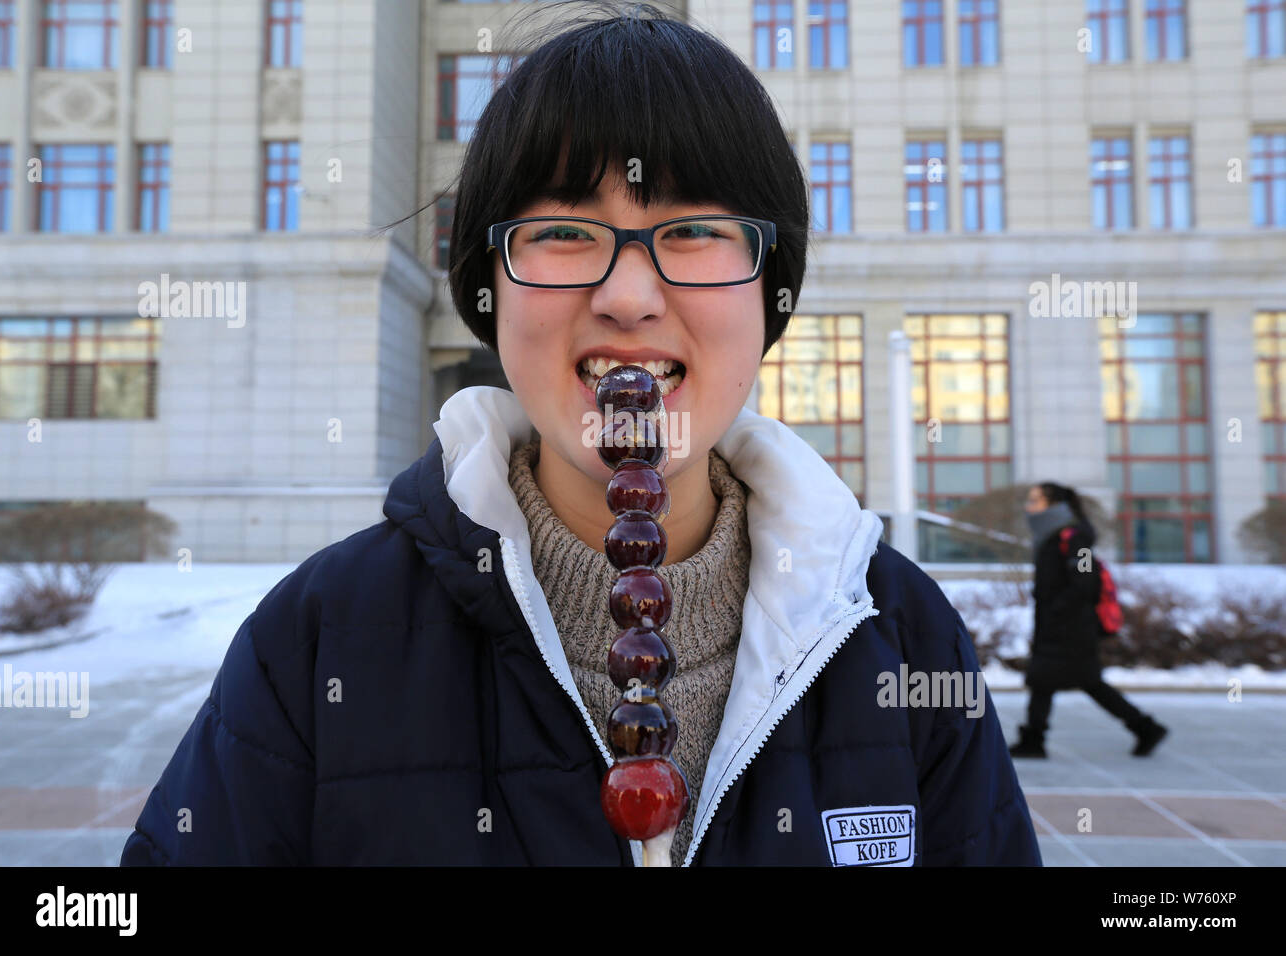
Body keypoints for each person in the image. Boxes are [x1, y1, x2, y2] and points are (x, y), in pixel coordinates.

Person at [120, 2, 1041, 866]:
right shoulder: (321, 639)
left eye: (691, 230)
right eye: (563, 230)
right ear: (491, 287)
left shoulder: (901, 636)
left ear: (771, 292)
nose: (629, 297)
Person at [1009, 482, 1169, 759]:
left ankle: (1145, 727)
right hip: (1058, 626)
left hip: (1071, 629)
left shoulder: (1075, 537)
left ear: (1055, 505)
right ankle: (1034, 740)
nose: (1029, 507)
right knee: (1049, 682)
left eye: (1035, 501)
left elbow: (1085, 582)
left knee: (1077, 682)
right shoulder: (1054, 536)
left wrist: (1057, 611)